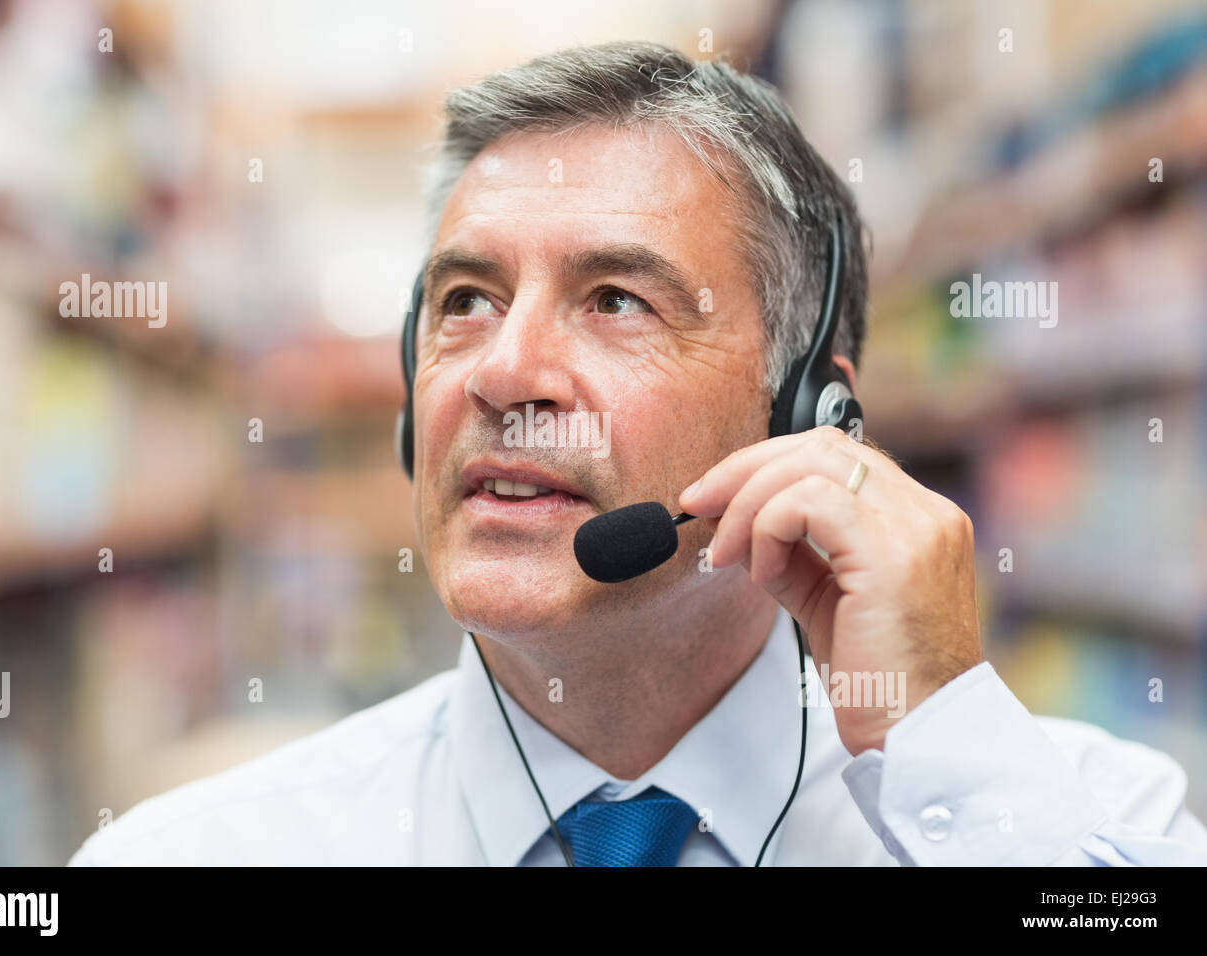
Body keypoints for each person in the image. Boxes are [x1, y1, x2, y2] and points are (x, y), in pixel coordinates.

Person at [70, 41, 1207, 866]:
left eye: (615, 299)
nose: (502, 373)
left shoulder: (1082, 823)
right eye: (467, 299)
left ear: (812, 417)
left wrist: (939, 732)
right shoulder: (194, 853)